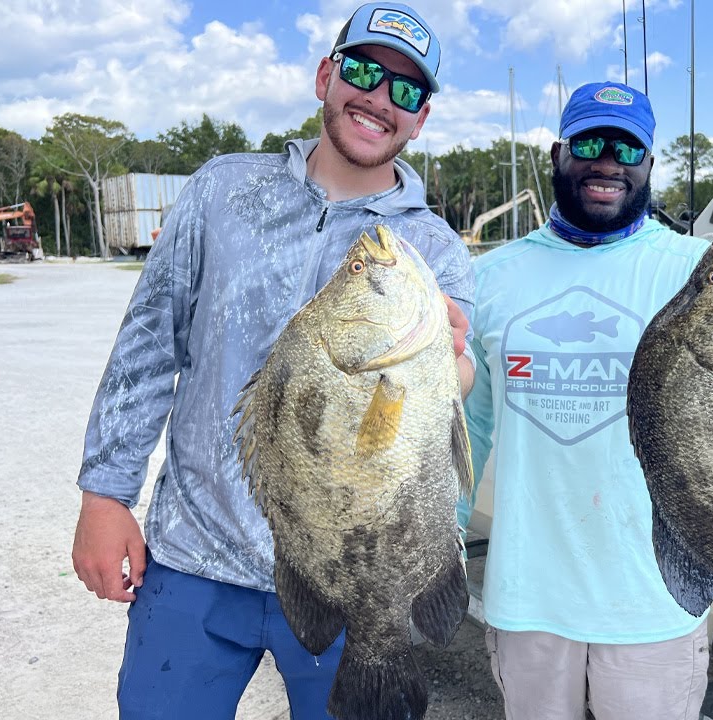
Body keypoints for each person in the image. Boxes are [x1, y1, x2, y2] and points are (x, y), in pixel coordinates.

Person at [71, 3, 475, 718]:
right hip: (196, 555)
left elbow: (451, 397)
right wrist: (106, 495)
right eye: (363, 71)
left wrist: (450, 365)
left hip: (349, 575)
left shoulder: (434, 248)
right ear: (326, 75)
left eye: (406, 91)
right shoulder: (223, 189)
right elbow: (147, 340)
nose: (379, 99)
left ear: (421, 120)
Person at [460, 81, 713, 718]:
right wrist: (441, 537)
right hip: (527, 596)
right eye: (590, 143)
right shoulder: (489, 277)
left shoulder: (697, 266)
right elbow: (469, 429)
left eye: (629, 150)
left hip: (656, 597)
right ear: (557, 152)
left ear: (650, 165)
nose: (608, 163)